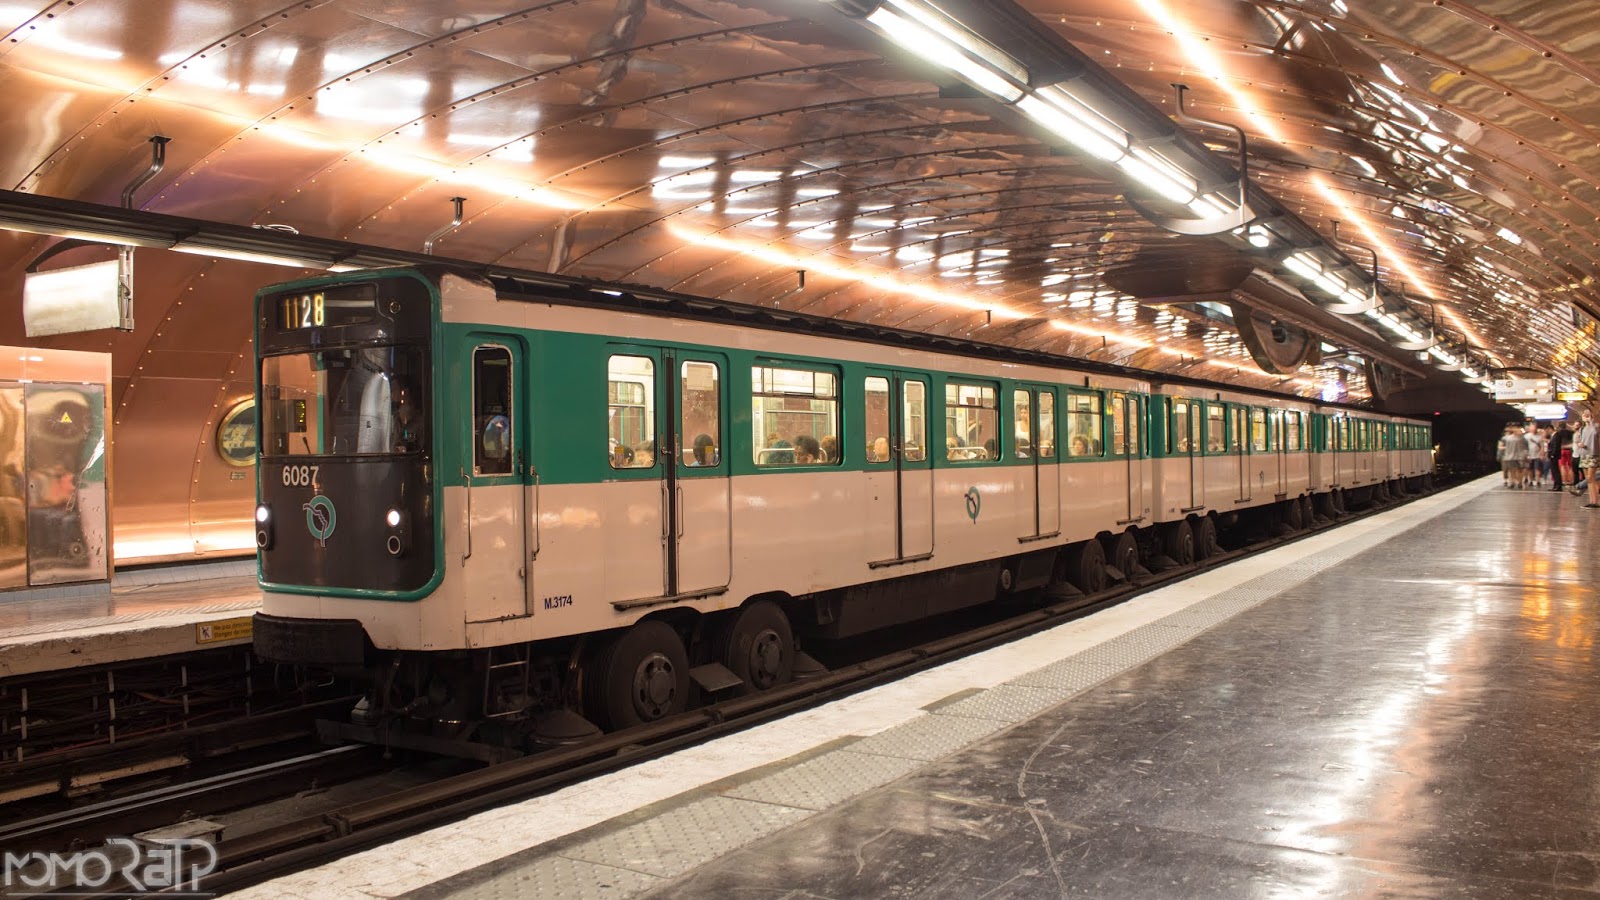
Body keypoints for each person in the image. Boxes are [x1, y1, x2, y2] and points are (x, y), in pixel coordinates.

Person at [1576, 410, 1600, 507]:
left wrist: (1591, 421)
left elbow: (1595, 433)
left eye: (1587, 415)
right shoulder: (1582, 429)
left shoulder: (1596, 426)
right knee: (1588, 479)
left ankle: (1595, 501)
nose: (1585, 416)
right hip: (1584, 454)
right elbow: (1581, 439)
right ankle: (1591, 501)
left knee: (1591, 477)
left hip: (1593, 454)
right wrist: (1580, 444)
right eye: (1583, 415)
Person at [1550, 421, 1572, 491]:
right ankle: (1570, 480)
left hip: (1561, 450)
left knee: (1562, 466)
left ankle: (1564, 480)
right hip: (1569, 449)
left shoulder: (1558, 434)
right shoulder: (1570, 433)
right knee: (1570, 466)